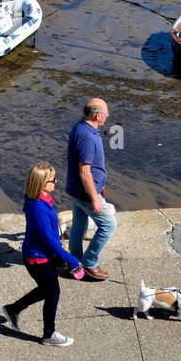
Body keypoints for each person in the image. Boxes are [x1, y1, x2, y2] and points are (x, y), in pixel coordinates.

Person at [3, 163, 84, 346]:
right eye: (52, 179)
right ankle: (49, 334)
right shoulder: (38, 208)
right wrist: (71, 260)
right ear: (41, 183)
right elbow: (49, 240)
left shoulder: (41, 198)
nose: (56, 181)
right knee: (52, 292)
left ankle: (13, 309)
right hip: (38, 258)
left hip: (41, 254)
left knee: (46, 290)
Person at [66, 98, 115, 280]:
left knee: (79, 224)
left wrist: (101, 185)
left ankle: (74, 260)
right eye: (106, 112)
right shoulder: (87, 136)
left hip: (78, 190)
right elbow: (85, 171)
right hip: (86, 192)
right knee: (108, 224)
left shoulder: (81, 127)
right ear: (97, 115)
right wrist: (95, 197)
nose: (108, 116)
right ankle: (89, 263)